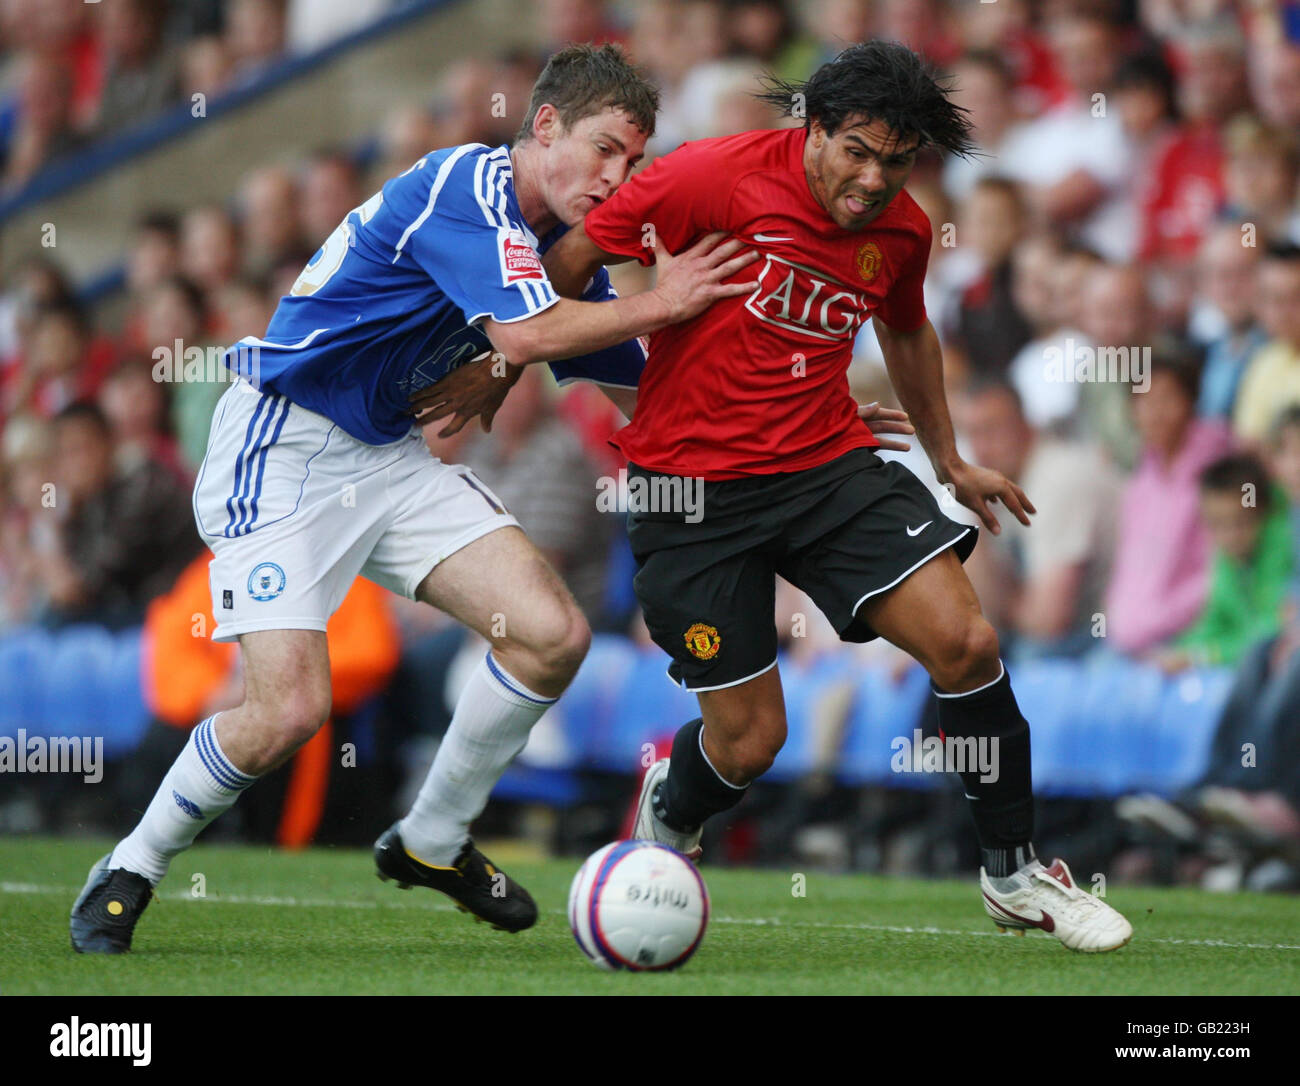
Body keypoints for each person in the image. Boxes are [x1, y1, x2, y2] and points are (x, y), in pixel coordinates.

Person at [424, 42, 1132, 950]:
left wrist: (949, 459)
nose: (875, 180)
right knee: (751, 743)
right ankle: (673, 802)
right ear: (814, 129)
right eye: (858, 152)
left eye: (898, 160)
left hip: (825, 469)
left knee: (967, 641)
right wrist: (502, 358)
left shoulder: (904, 233)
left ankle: (1015, 873)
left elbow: (909, 332)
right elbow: (567, 262)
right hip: (691, 496)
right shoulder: (707, 177)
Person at [69, 43, 753, 954]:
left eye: (633, 160)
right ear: (544, 124)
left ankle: (432, 839)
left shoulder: (558, 257)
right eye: (604, 149)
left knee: (551, 636)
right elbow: (529, 327)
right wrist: (663, 303)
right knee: (287, 711)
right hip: (281, 444)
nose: (617, 175)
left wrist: (804, 415)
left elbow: (644, 390)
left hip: (386, 457)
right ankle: (130, 866)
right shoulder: (462, 187)